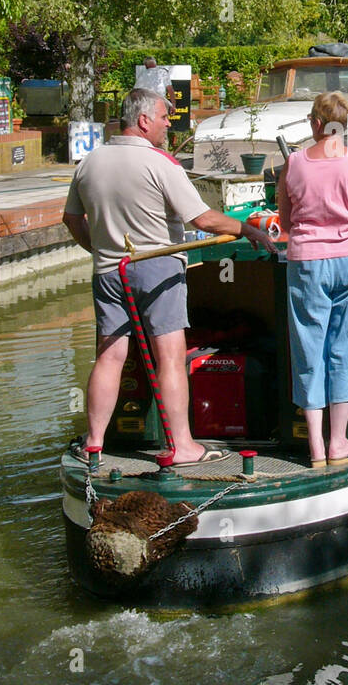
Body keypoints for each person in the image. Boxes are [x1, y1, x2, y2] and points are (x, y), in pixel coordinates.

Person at [62, 87, 274, 465]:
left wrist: (96, 249)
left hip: (110, 271)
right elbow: (203, 219)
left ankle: (94, 442)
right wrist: (248, 230)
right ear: (143, 121)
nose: (166, 126)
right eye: (163, 118)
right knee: (171, 357)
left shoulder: (89, 162)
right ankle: (182, 447)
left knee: (109, 356)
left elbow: (72, 219)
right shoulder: (162, 164)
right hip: (158, 267)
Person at [277, 91, 348, 468]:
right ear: (345, 124)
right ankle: (339, 443)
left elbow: (287, 221)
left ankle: (315, 447)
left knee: (310, 348)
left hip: (308, 261)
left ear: (314, 123)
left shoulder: (292, 164)